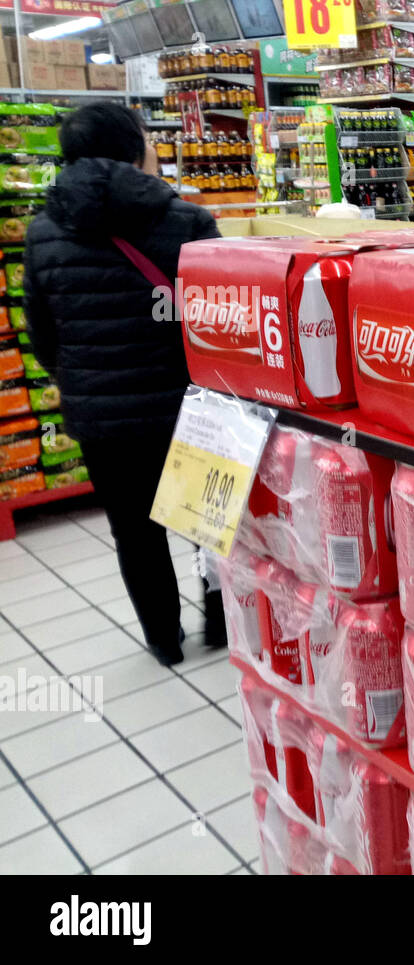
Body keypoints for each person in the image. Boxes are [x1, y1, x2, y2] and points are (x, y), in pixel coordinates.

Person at [24, 102, 222, 667]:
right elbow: (217, 319)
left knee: (133, 529)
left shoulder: (43, 231)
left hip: (100, 413)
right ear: (135, 149)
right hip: (187, 404)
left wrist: (79, 377)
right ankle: (222, 621)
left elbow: (42, 332)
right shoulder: (185, 220)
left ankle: (163, 637)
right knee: (207, 514)